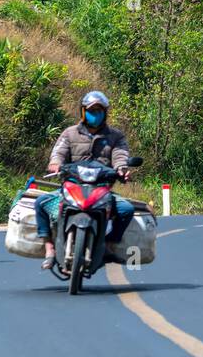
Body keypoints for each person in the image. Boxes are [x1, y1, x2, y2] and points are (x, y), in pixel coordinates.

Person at [36, 91, 134, 271]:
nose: (95, 114)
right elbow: (58, 152)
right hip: (72, 187)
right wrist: (55, 164)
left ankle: (109, 245)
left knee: (126, 209)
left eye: (99, 111)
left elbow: (120, 155)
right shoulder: (69, 133)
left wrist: (121, 169)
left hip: (101, 190)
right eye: (91, 110)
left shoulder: (115, 136)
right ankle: (49, 248)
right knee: (41, 203)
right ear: (83, 111)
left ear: (105, 113)